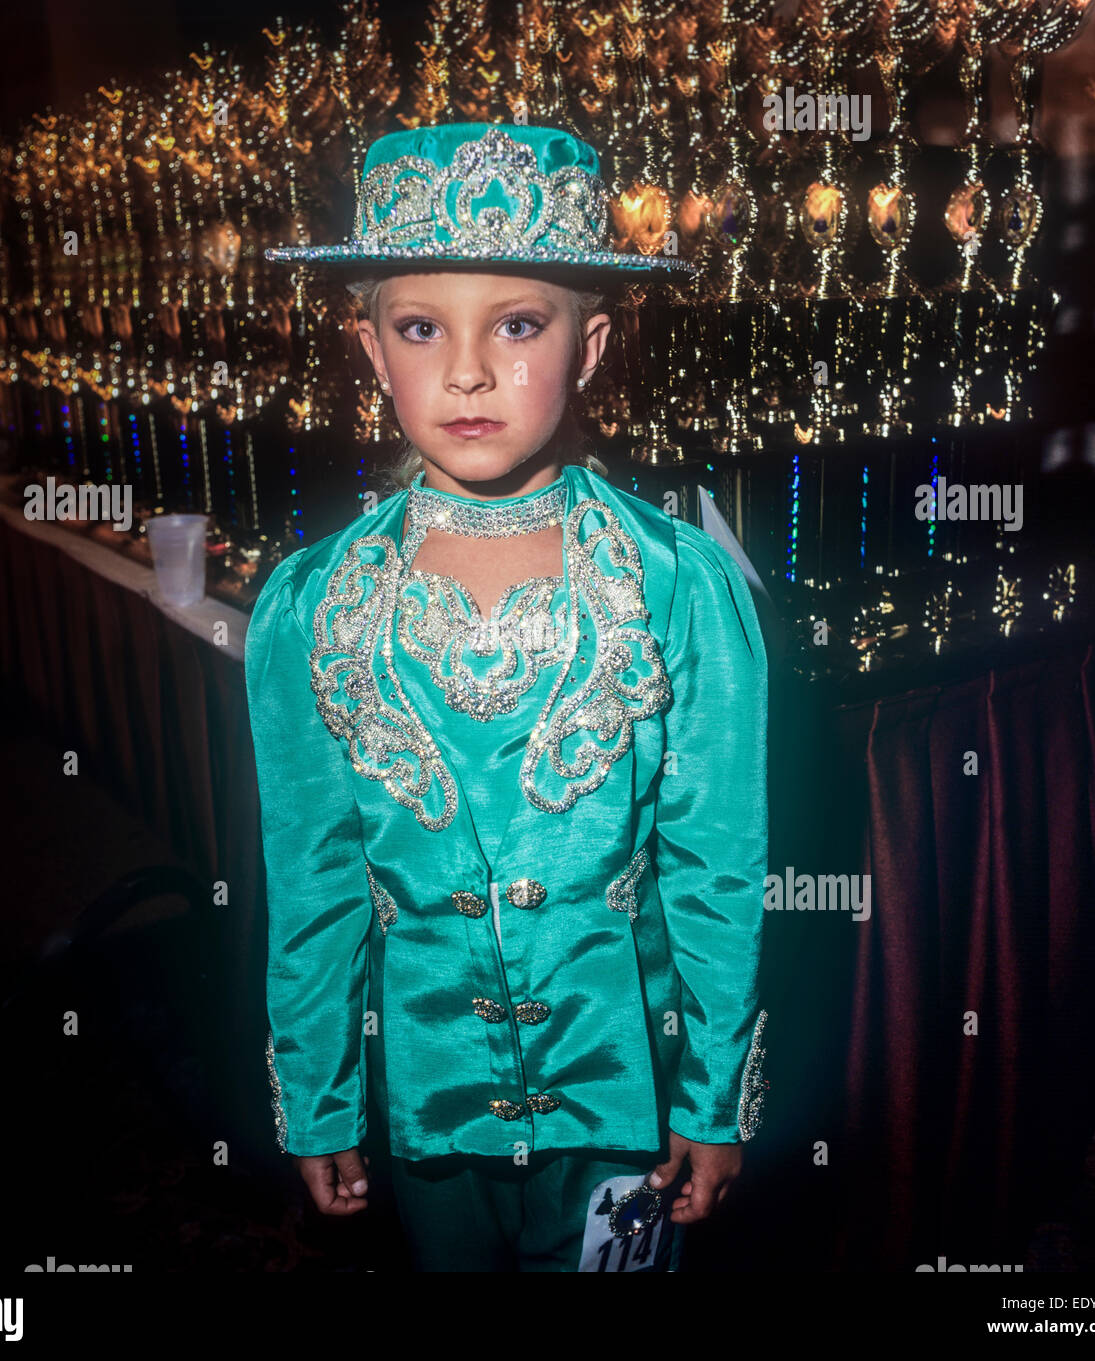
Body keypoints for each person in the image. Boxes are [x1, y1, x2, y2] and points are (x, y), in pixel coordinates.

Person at [245, 121, 769, 1272]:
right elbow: (316, 875)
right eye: (420, 328)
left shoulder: (675, 585)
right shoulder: (313, 605)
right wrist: (322, 1100)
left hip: (627, 1093)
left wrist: (712, 1098)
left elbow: (716, 864)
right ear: (370, 350)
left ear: (588, 348)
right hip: (428, 1096)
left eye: (516, 325)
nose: (467, 371)